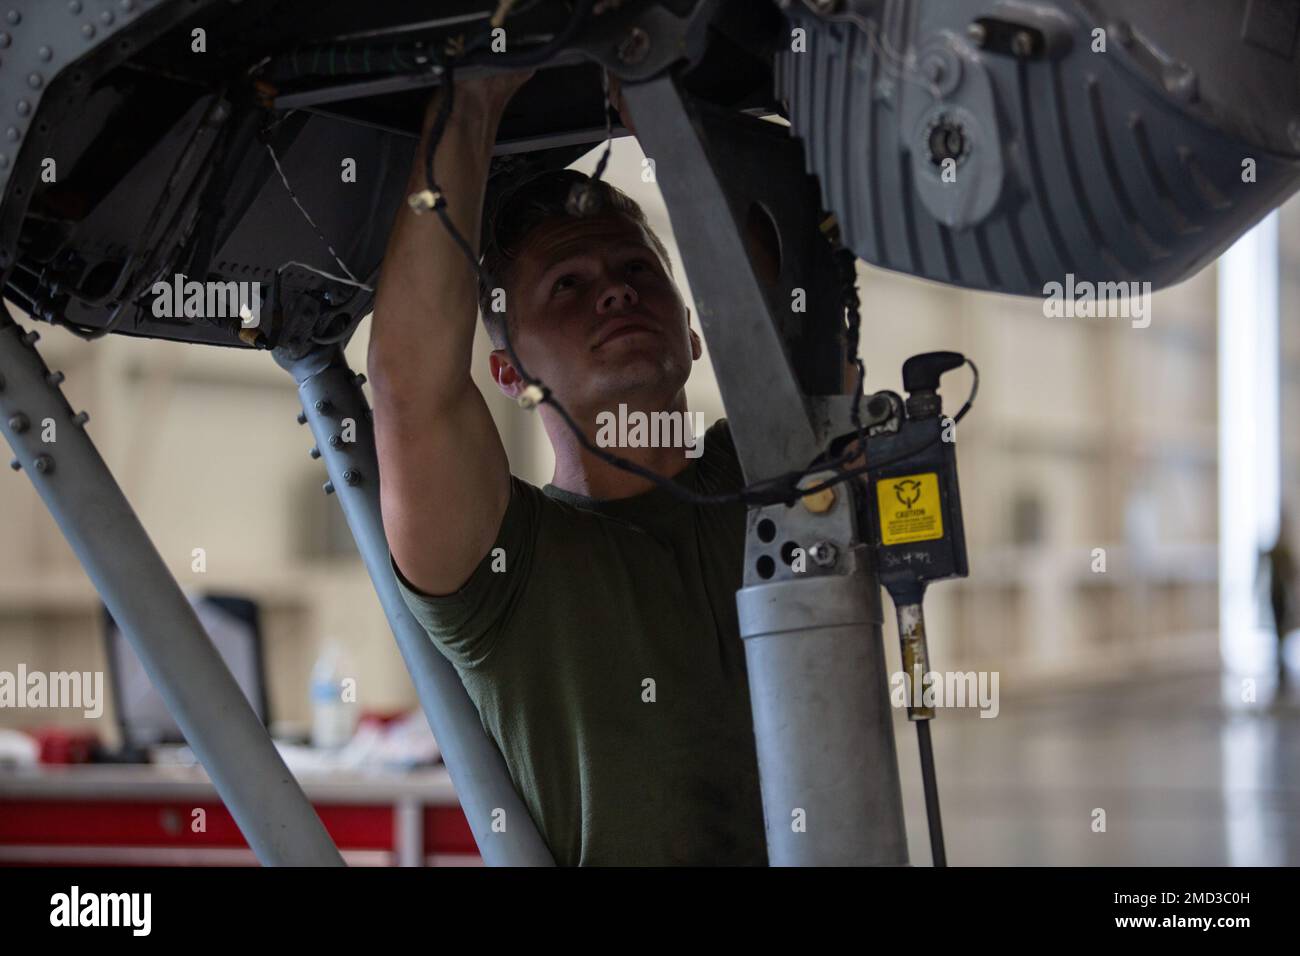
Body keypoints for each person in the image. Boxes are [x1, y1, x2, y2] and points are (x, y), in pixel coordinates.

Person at [368, 69, 855, 865]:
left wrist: (674, 125)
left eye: (638, 271)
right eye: (568, 284)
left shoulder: (766, 475)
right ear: (510, 375)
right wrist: (477, 96)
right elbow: (407, 384)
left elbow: (800, 315)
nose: (615, 296)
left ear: (695, 333)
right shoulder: (501, 563)